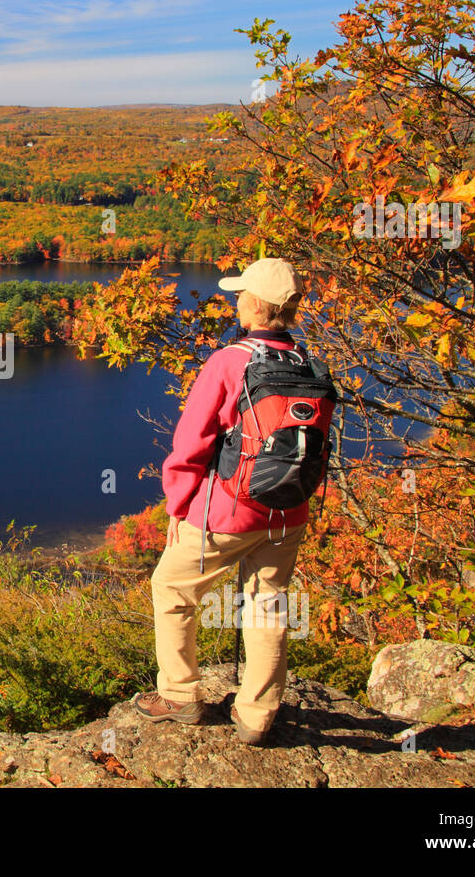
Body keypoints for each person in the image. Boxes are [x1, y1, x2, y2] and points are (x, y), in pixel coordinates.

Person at [132, 257, 310, 746]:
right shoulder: (306, 364)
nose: (236, 301)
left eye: (240, 295)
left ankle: (179, 694)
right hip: (287, 512)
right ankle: (257, 715)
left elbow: (192, 443)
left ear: (255, 305)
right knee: (268, 606)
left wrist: (177, 505)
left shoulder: (231, 361)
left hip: (226, 512)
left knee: (172, 588)